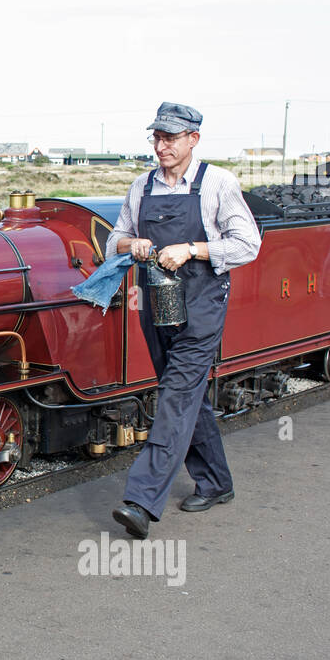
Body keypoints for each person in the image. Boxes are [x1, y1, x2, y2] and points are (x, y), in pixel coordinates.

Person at [103, 102, 262, 539]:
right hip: (156, 306)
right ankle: (216, 482)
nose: (162, 145)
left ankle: (141, 500)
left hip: (202, 305)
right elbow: (113, 239)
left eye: (170, 138)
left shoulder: (218, 184)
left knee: (175, 396)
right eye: (157, 137)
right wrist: (129, 243)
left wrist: (192, 249)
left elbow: (248, 244)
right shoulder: (141, 186)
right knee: (188, 396)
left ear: (194, 139)